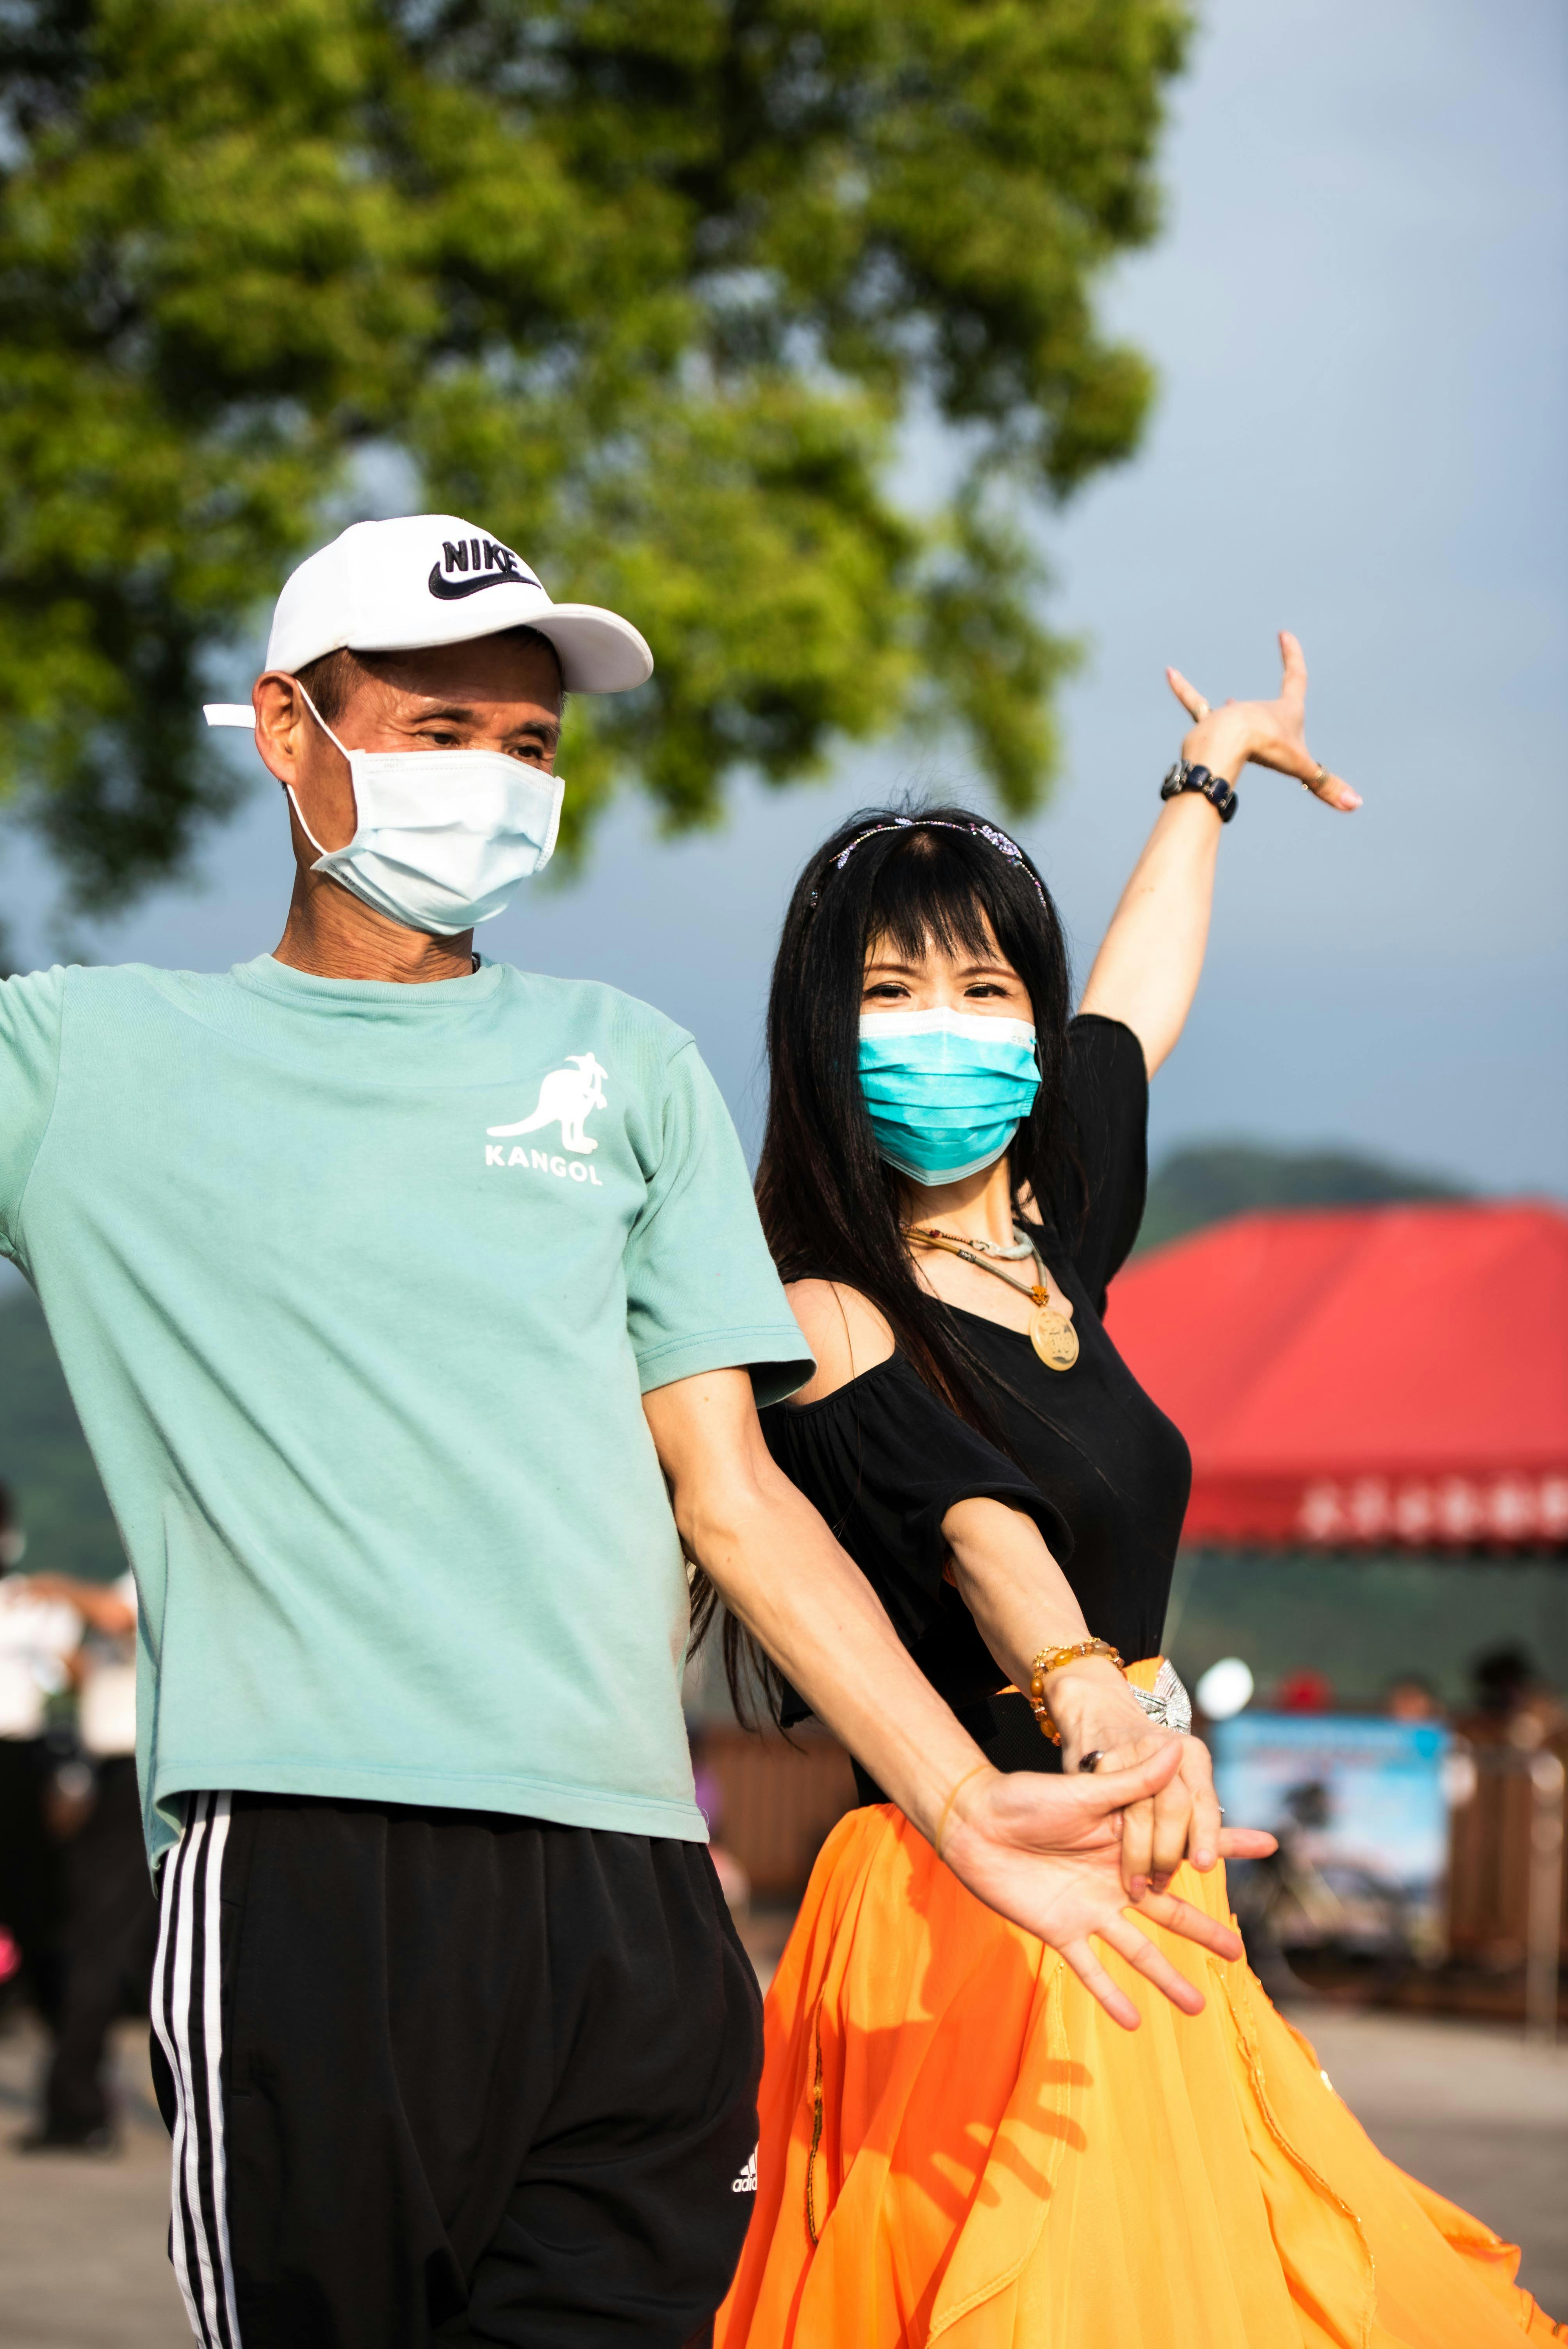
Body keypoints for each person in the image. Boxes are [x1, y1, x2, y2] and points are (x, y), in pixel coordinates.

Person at [0, 513, 1260, 2349]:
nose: (496, 782)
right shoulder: (83, 1066)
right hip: (309, 1863)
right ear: (289, 731)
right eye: (440, 730)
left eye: (530, 745)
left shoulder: (623, 1065)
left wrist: (954, 1785)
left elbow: (732, 1495)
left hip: (632, 1898)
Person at [715, 640, 1563, 2347]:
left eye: (980, 994)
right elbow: (976, 1530)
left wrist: (1213, 771)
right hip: (974, 1886)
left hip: (1147, 1870)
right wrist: (1093, 1695)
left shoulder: (1049, 1239)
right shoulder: (815, 1304)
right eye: (887, 992)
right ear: (818, 1030)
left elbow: (1133, 999)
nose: (940, 1035)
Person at [16, 1570, 157, 2152]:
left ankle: (79, 2109)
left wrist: (60, 1588)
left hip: (133, 1777)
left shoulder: (146, 1569)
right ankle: (80, 2100)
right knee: (101, 1938)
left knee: (94, 1941)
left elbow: (119, 1617)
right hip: (109, 1777)